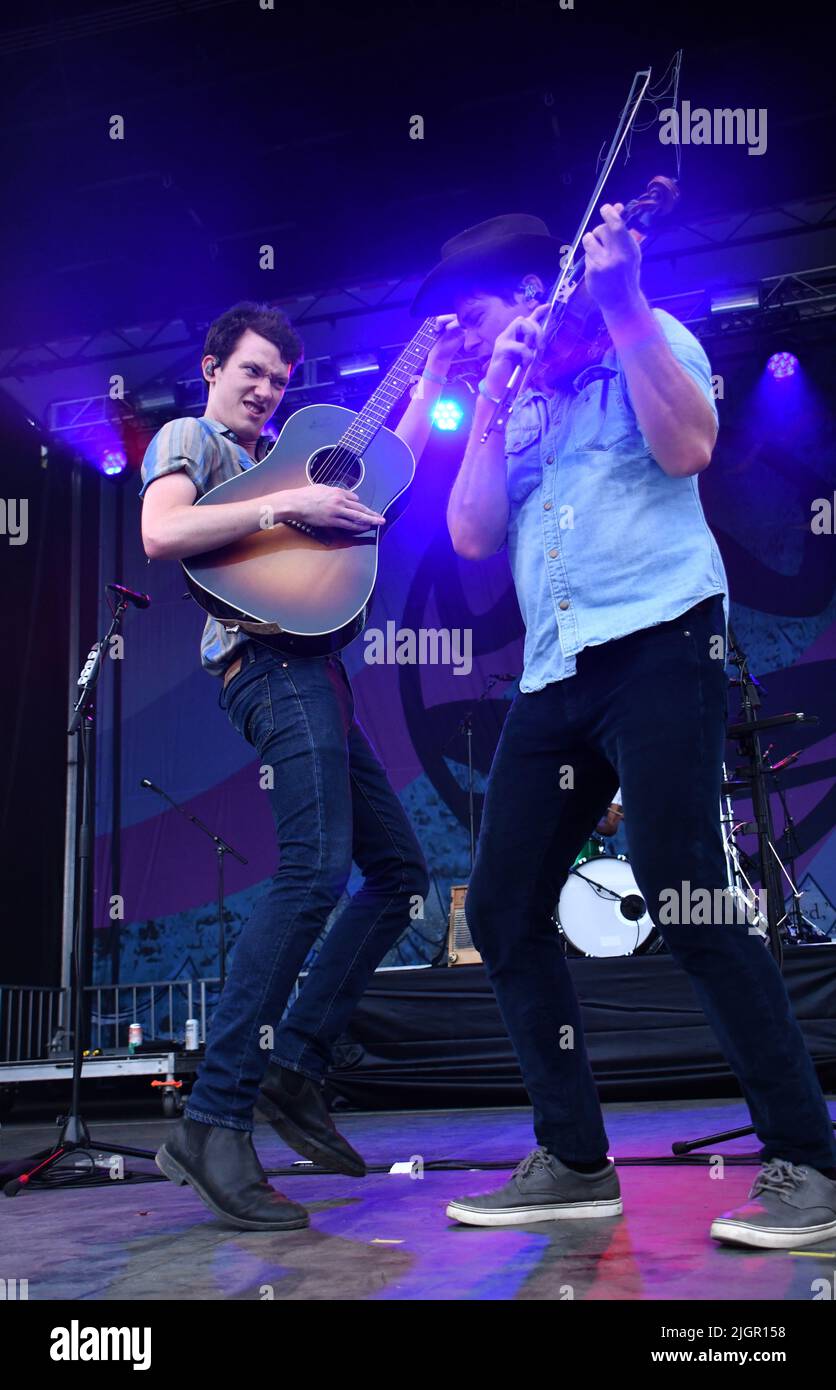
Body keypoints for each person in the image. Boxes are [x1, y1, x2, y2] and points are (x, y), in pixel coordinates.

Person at [407, 210, 836, 1247]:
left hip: (658, 642)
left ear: (532, 288)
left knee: (685, 891)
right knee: (502, 907)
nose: (461, 340)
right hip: (555, 672)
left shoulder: (644, 332)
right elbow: (469, 539)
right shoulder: (511, 406)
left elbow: (688, 445)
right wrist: (495, 393)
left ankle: (807, 1160)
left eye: (473, 316)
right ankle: (572, 1159)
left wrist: (619, 301)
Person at [140, 300, 431, 1230]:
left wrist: (429, 381)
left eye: (278, 378)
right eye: (252, 371)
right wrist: (285, 505)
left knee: (400, 872)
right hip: (264, 664)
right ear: (213, 365)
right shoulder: (195, 438)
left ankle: (298, 1061)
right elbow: (161, 533)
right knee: (312, 873)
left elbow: (390, 476)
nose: (266, 389)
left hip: (319, 669)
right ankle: (211, 1120)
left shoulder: (300, 449)